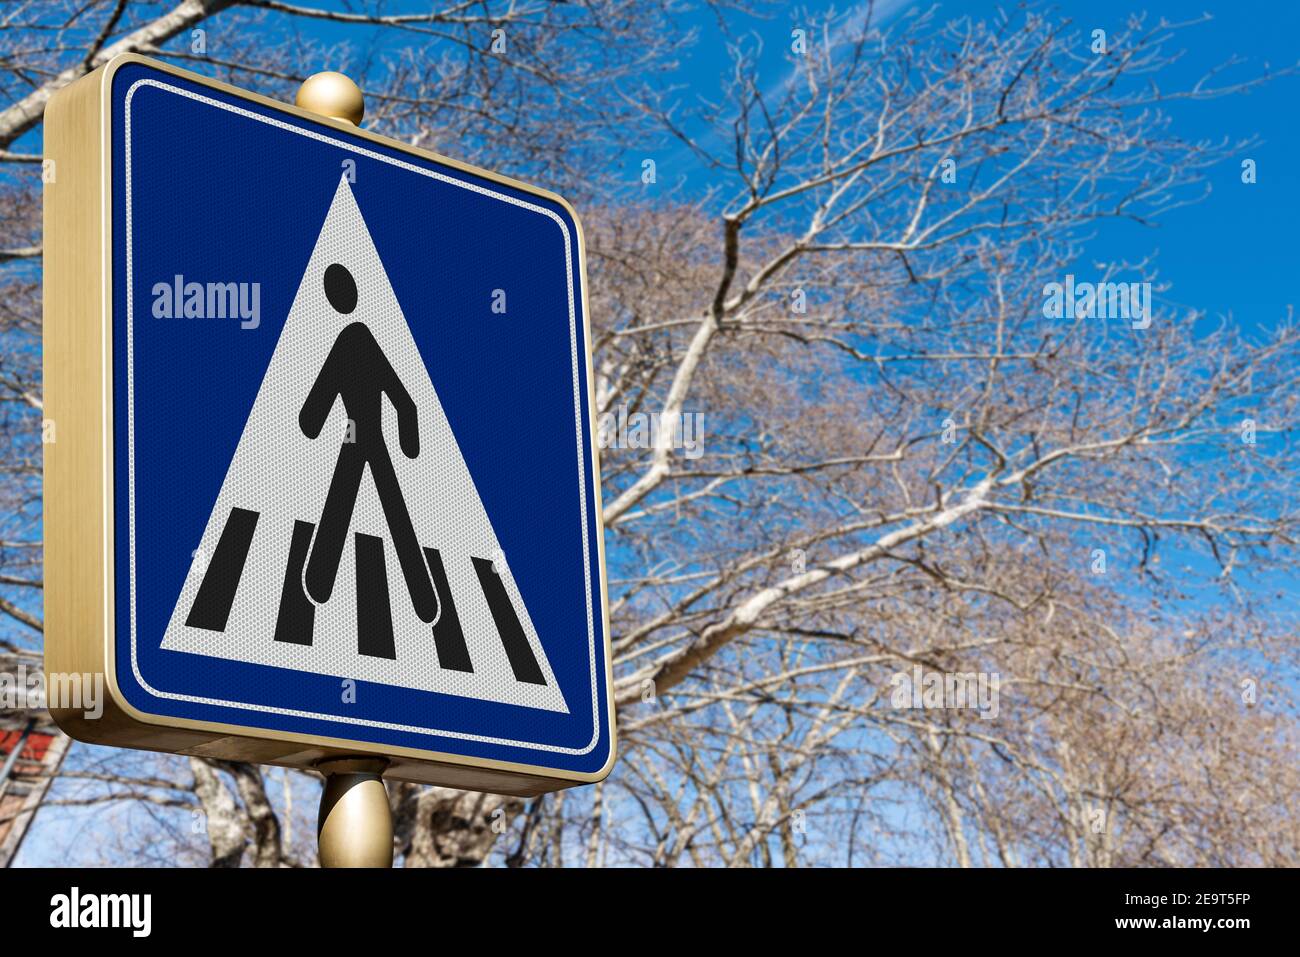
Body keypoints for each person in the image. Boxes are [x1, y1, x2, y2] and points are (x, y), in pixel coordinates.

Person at [298, 262, 439, 624]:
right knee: (387, 508)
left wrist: (311, 423)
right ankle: (420, 594)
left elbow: (322, 398)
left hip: (357, 433)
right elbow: (402, 399)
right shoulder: (358, 338)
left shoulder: (353, 339)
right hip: (365, 433)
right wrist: (409, 437)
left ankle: (320, 578)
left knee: (350, 502)